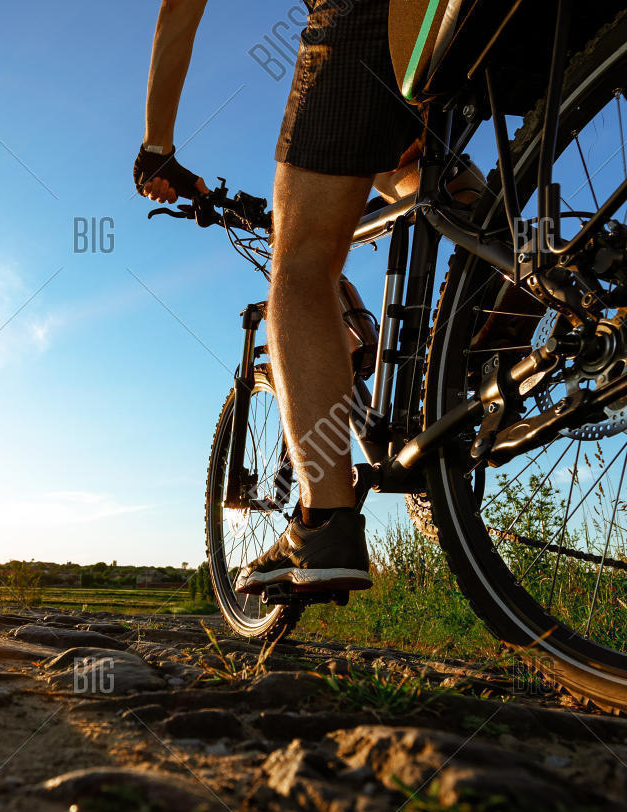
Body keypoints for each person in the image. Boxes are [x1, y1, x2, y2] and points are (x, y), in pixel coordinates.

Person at [134, 0, 481, 597]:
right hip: (462, 26)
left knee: (300, 266)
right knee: (429, 187)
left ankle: (324, 521)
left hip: (382, 17)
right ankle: (528, 290)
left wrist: (157, 145)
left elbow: (179, 10)